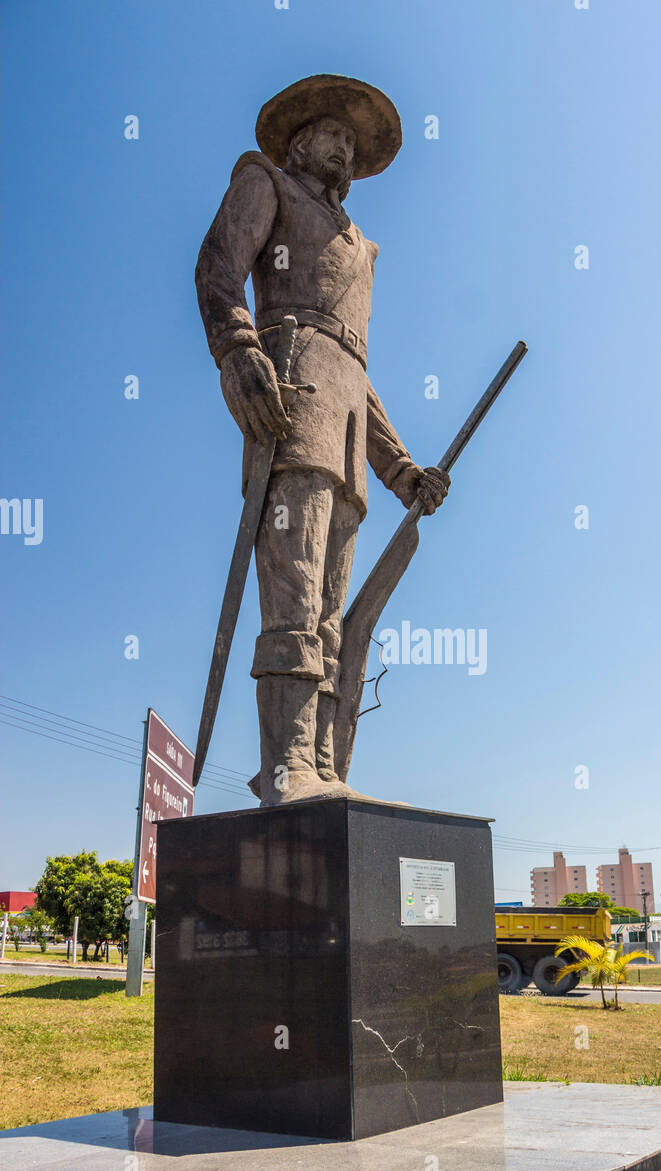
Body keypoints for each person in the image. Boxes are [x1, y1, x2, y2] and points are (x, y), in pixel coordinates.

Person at [195, 75, 450, 804]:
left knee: (333, 617)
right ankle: (285, 769)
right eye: (334, 133)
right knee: (295, 596)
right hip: (291, 410)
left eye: (353, 140)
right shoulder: (265, 180)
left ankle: (324, 767)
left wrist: (401, 470)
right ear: (302, 140)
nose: (345, 147)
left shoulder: (361, 247)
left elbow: (353, 372)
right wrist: (238, 349)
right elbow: (218, 269)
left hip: (342, 429)